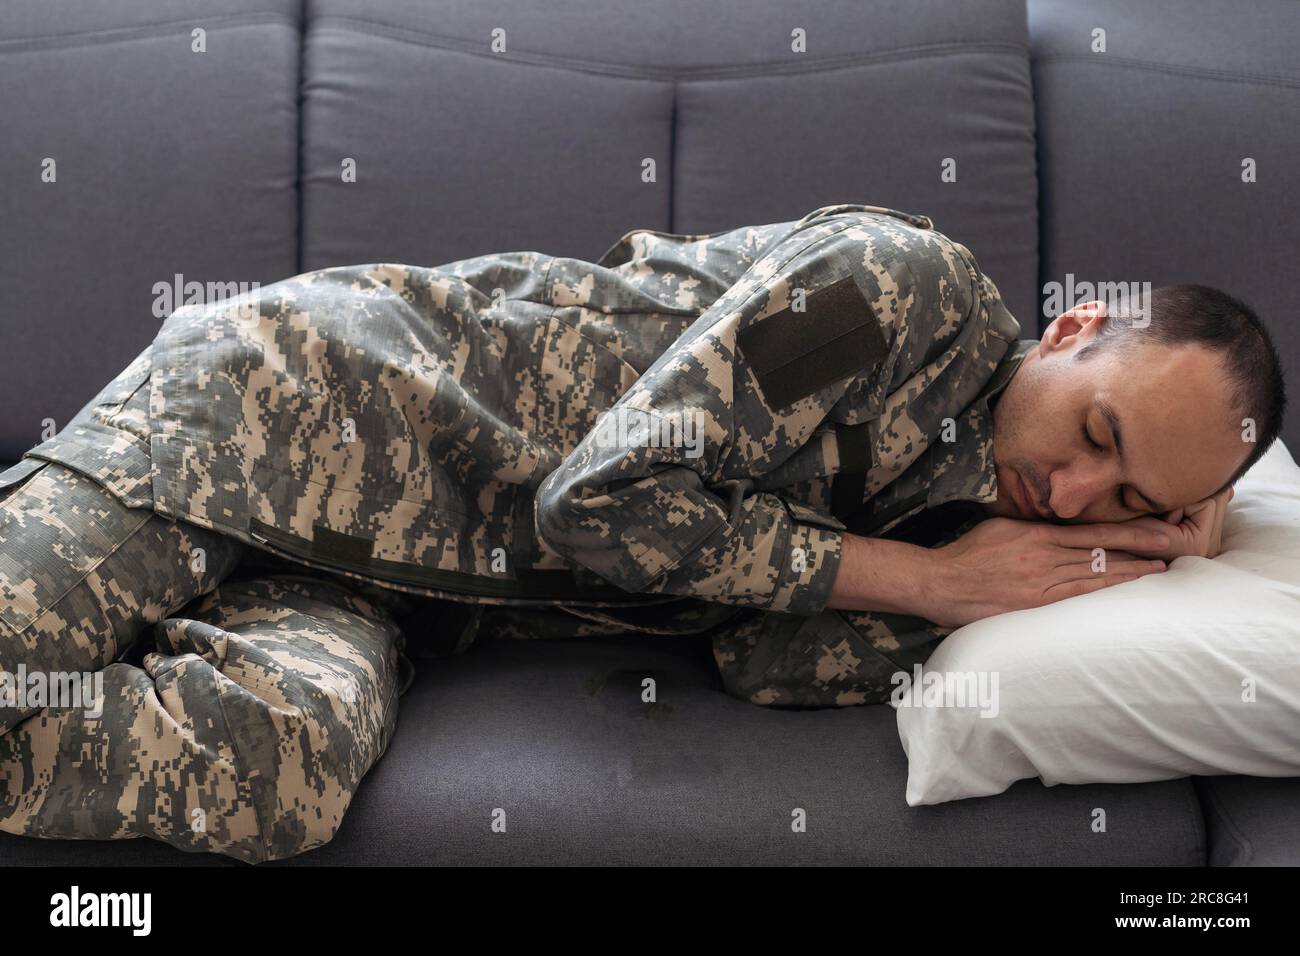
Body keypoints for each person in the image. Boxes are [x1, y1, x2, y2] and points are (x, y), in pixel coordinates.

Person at [0, 204, 1284, 861]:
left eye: (1129, 503)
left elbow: (760, 661)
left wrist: (1083, 578)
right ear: (1068, 333)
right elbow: (600, 498)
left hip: (394, 590)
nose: (1069, 495)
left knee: (283, 780)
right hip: (281, 411)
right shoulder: (894, 295)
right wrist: (928, 580)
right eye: (1100, 437)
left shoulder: (986, 540)